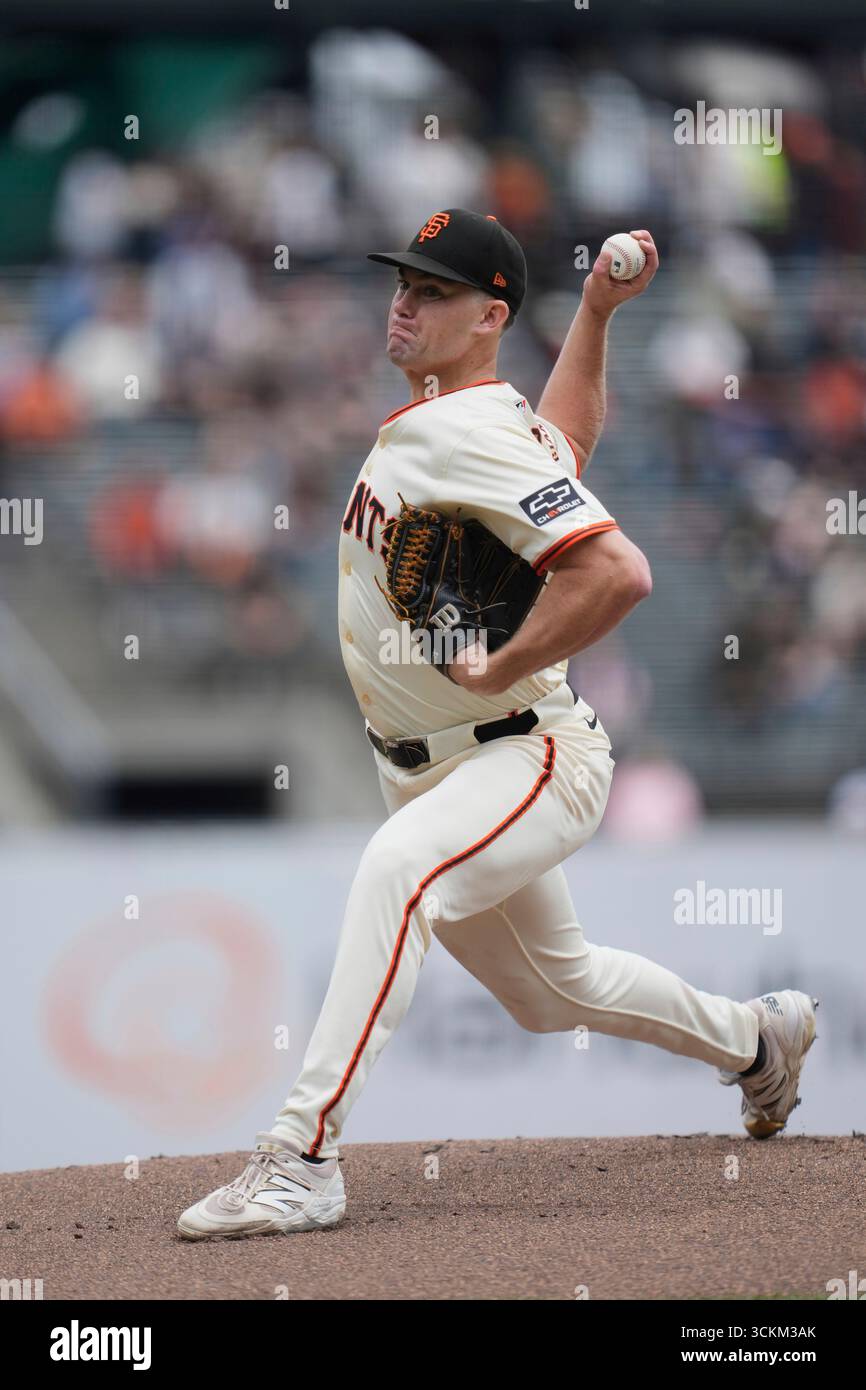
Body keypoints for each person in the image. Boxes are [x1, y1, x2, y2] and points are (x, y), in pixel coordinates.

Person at [178, 209, 818, 1241]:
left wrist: (505, 660)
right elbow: (568, 443)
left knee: (398, 873)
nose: (404, 304)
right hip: (437, 764)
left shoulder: (464, 431)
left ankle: (300, 1159)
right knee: (553, 989)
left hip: (525, 749)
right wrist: (596, 314)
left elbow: (618, 572)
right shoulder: (469, 419)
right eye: (402, 284)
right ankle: (755, 1040)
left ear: (489, 316)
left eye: (433, 292)